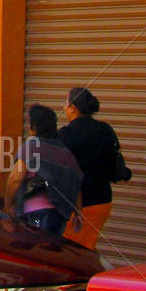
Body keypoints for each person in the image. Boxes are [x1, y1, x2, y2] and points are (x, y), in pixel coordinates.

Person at [58, 86, 130, 250]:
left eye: (65, 104)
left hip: (78, 206)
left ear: (73, 108)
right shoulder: (105, 129)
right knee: (86, 245)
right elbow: (115, 167)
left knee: (70, 251)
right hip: (102, 203)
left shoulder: (66, 134)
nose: (64, 108)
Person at [3, 104, 83, 238]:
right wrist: (78, 214)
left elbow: (15, 179)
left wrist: (7, 206)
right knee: (49, 249)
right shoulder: (65, 152)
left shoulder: (31, 147)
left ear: (34, 128)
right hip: (58, 218)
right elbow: (75, 185)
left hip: (33, 215)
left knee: (33, 248)